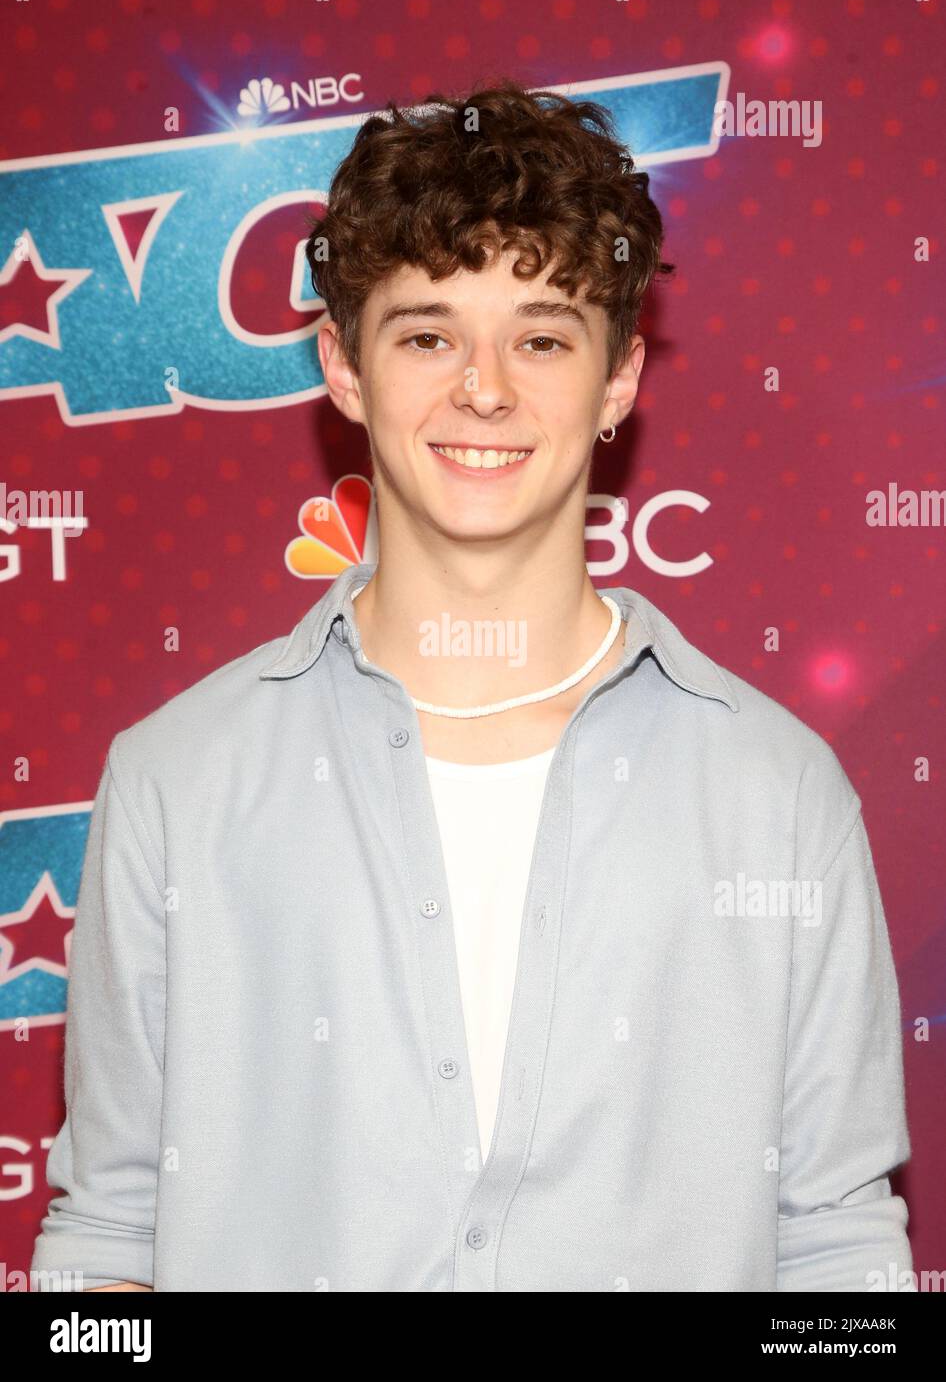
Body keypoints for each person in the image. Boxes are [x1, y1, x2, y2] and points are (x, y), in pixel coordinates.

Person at [32, 79, 913, 1293]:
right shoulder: (177, 780)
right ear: (343, 367)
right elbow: (105, 1243)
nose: (484, 390)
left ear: (618, 381)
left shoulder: (778, 796)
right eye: (429, 334)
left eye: (542, 336)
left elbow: (836, 1246)